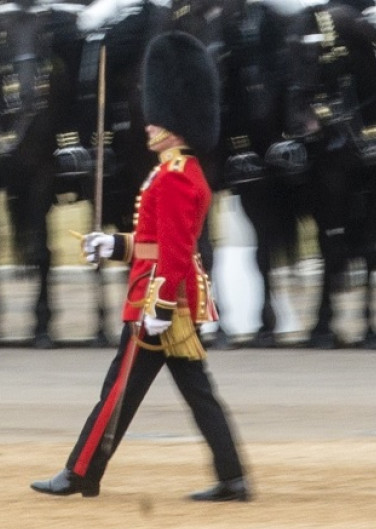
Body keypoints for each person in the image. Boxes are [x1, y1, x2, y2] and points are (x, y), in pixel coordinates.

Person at [29, 31, 250, 502]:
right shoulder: (178, 172)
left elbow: (171, 251)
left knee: (119, 388)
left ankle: (81, 472)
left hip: (157, 299)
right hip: (166, 295)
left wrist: (162, 306)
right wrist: (112, 244)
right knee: (189, 390)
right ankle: (232, 476)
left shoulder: (173, 179)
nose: (149, 125)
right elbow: (153, 243)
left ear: (177, 124)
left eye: (158, 120)